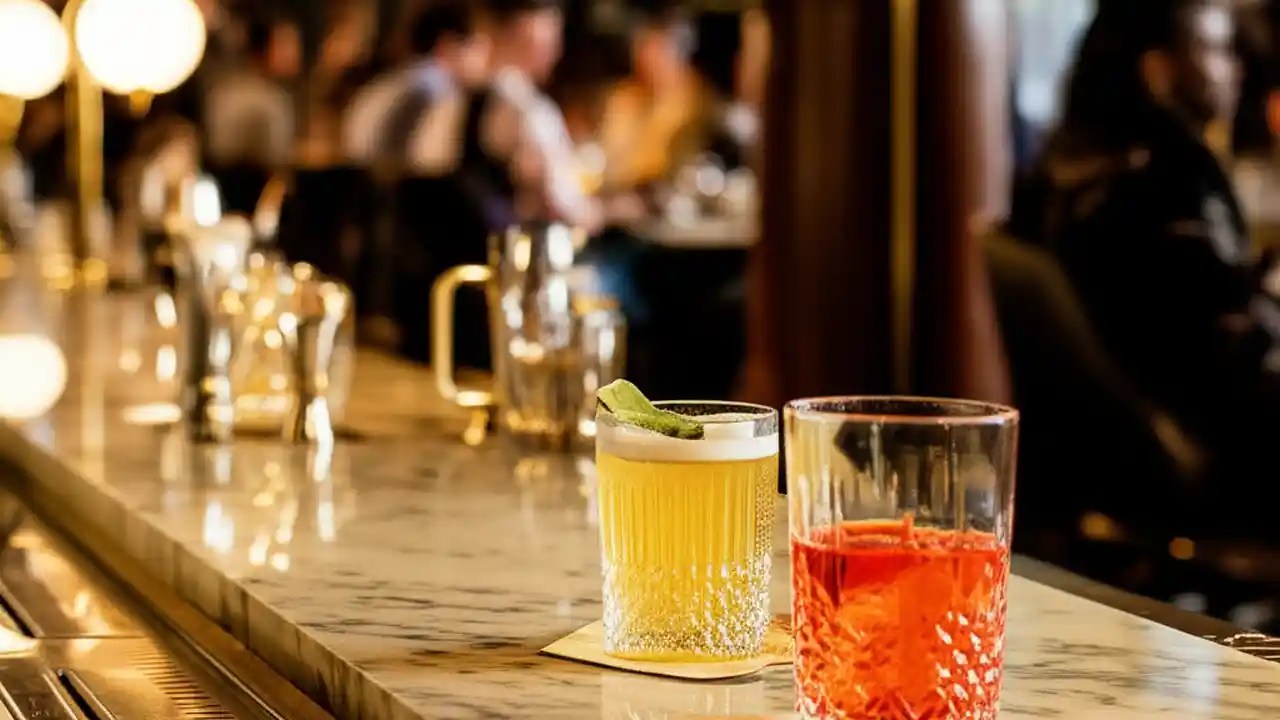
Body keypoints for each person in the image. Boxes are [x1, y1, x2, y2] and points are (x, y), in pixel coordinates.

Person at [1008, 0, 1280, 505]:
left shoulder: (1063, 174)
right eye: (1217, 50)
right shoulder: (1164, 185)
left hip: (1111, 455)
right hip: (1211, 456)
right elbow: (1229, 357)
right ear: (1158, 71)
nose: (1236, 68)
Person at [342, 2, 490, 173]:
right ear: (448, 44)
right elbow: (419, 160)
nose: (484, 56)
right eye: (477, 44)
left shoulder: (405, 78)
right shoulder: (435, 88)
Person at [599, 3, 714, 190]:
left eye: (658, 51)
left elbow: (679, 161)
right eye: (642, 51)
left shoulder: (695, 98)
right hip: (626, 192)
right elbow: (612, 156)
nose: (647, 61)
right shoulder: (624, 97)